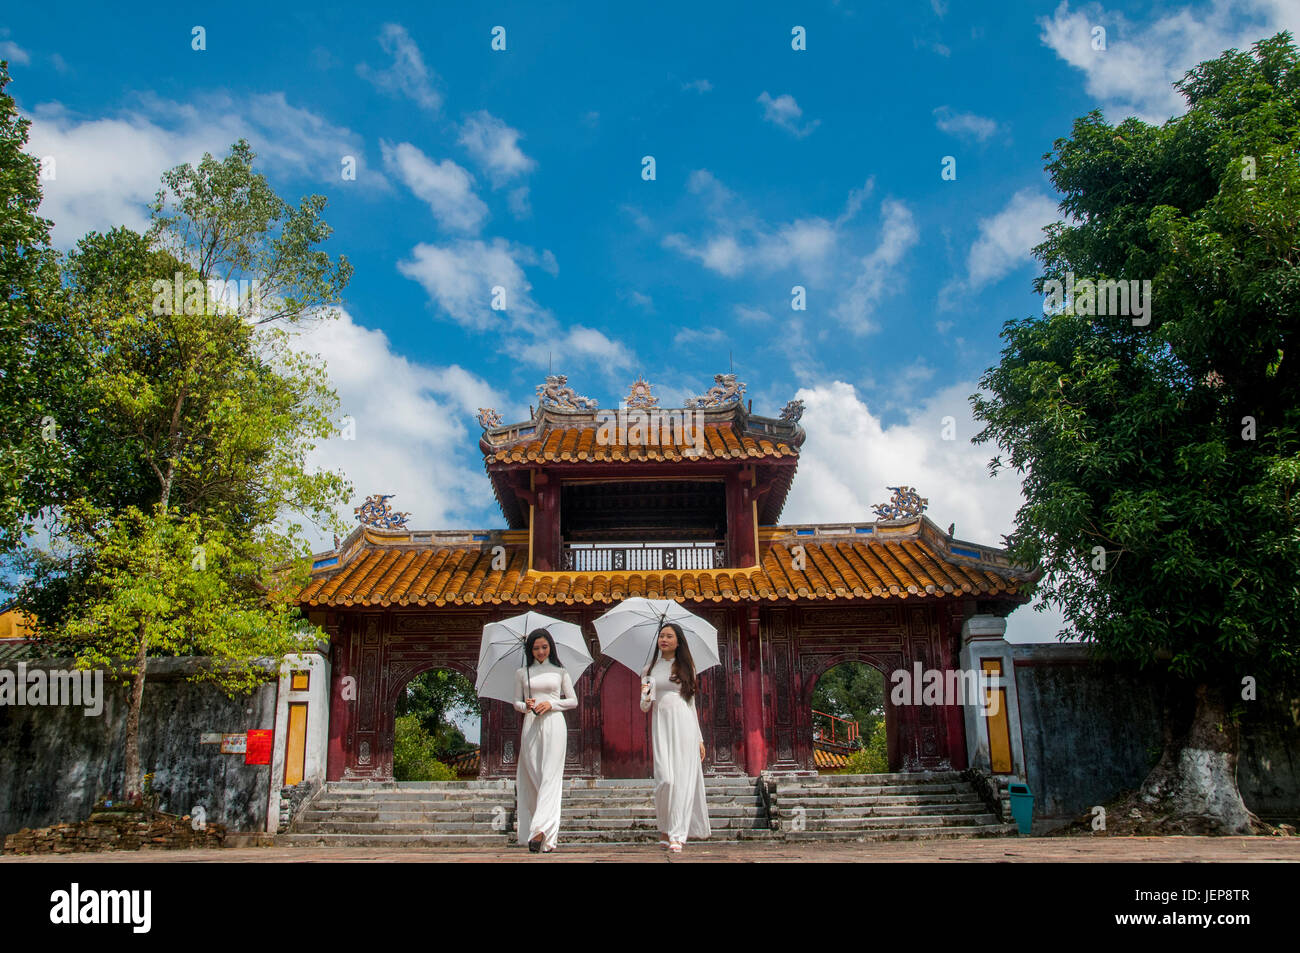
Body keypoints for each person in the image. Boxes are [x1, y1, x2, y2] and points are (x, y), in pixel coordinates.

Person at [640, 621, 710, 852]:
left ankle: (677, 834)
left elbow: (690, 703)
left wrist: (699, 738)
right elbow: (644, 707)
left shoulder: (687, 666)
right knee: (665, 780)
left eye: (669, 636)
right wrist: (646, 697)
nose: (664, 639)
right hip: (661, 724)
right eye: (661, 636)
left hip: (684, 726)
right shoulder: (649, 669)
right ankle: (664, 826)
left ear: (678, 641)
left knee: (682, 781)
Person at [514, 628, 576, 853]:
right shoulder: (522, 673)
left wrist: (552, 704)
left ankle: (539, 830)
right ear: (530, 650)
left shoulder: (560, 671)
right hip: (531, 724)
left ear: (550, 647)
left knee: (550, 777)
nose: (540, 651)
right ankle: (549, 839)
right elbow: (516, 703)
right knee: (534, 778)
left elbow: (573, 701)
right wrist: (526, 705)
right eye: (536, 648)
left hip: (554, 724)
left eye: (544, 647)